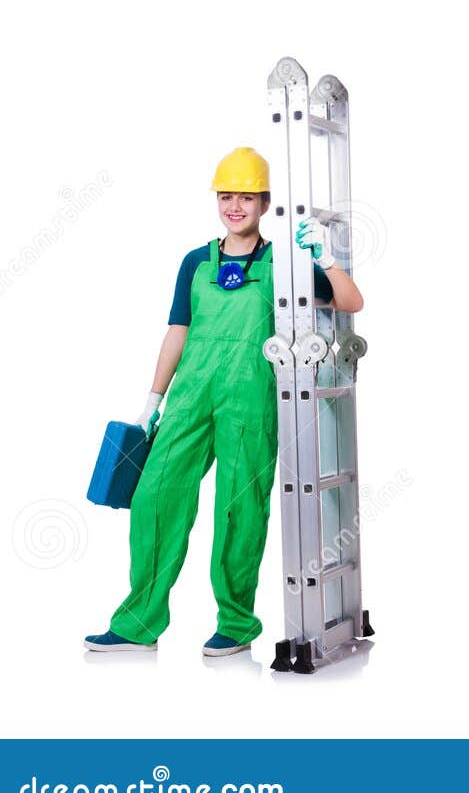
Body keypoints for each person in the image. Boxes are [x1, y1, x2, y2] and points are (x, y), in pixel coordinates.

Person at [85, 147, 364, 656]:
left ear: (264, 203)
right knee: (155, 498)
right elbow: (178, 330)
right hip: (189, 400)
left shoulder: (283, 262)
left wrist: (321, 258)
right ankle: (137, 623)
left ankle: (235, 624)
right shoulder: (196, 261)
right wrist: (152, 400)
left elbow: (351, 301)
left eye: (247, 197)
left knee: (239, 512)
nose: (236, 206)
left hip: (251, 403)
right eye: (227, 196)